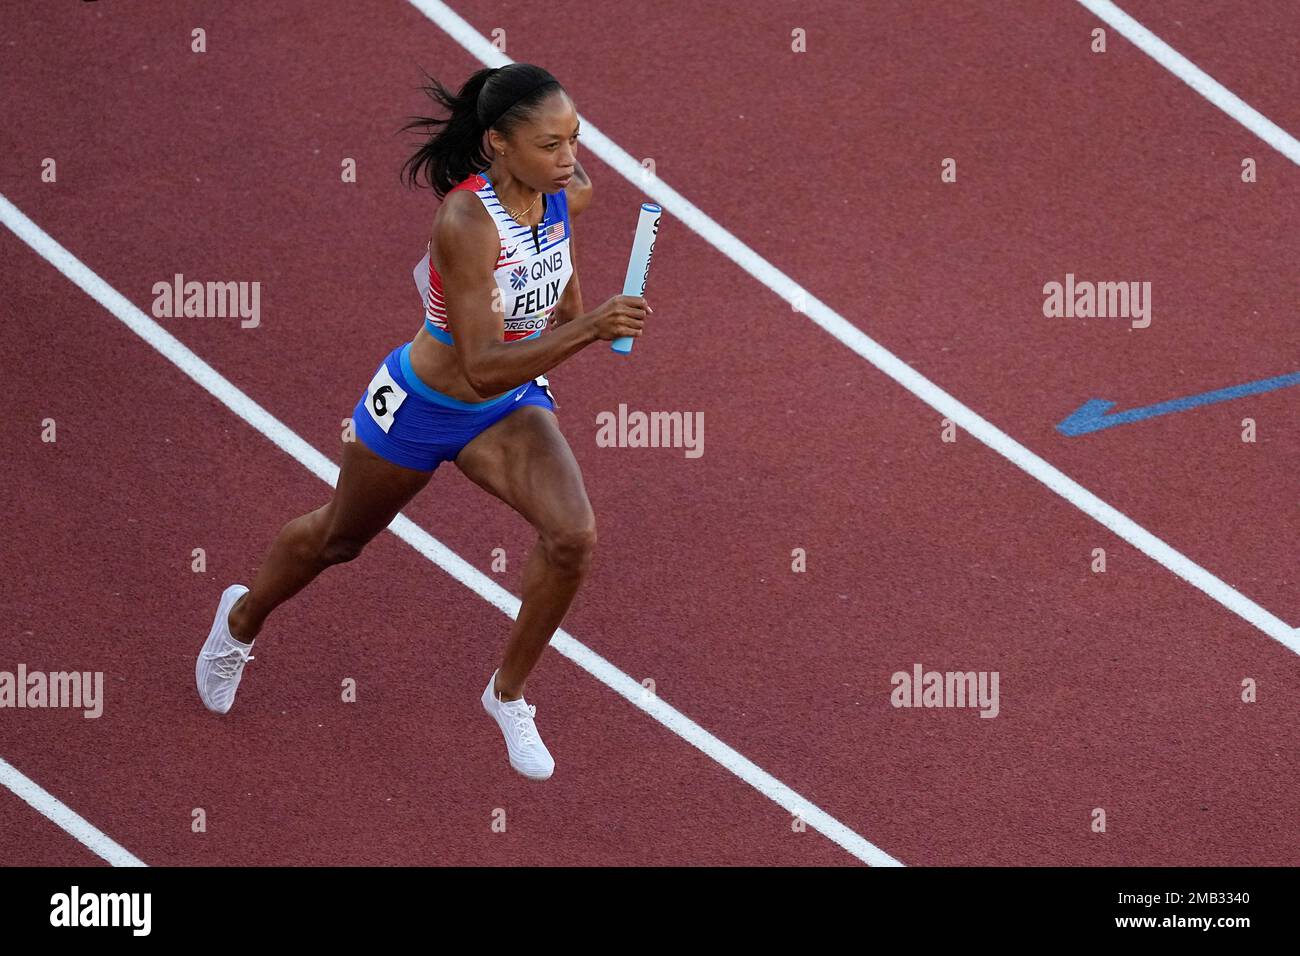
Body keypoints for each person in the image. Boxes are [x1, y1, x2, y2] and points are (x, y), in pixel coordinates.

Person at [195, 63, 652, 781]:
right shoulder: (465, 222)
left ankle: (508, 695)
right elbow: (478, 367)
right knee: (338, 539)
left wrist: (580, 312)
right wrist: (593, 327)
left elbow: (554, 297)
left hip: (506, 407)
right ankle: (241, 620)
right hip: (424, 403)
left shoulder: (565, 192)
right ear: (498, 143)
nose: (570, 160)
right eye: (551, 144)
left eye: (576, 141)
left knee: (573, 537)